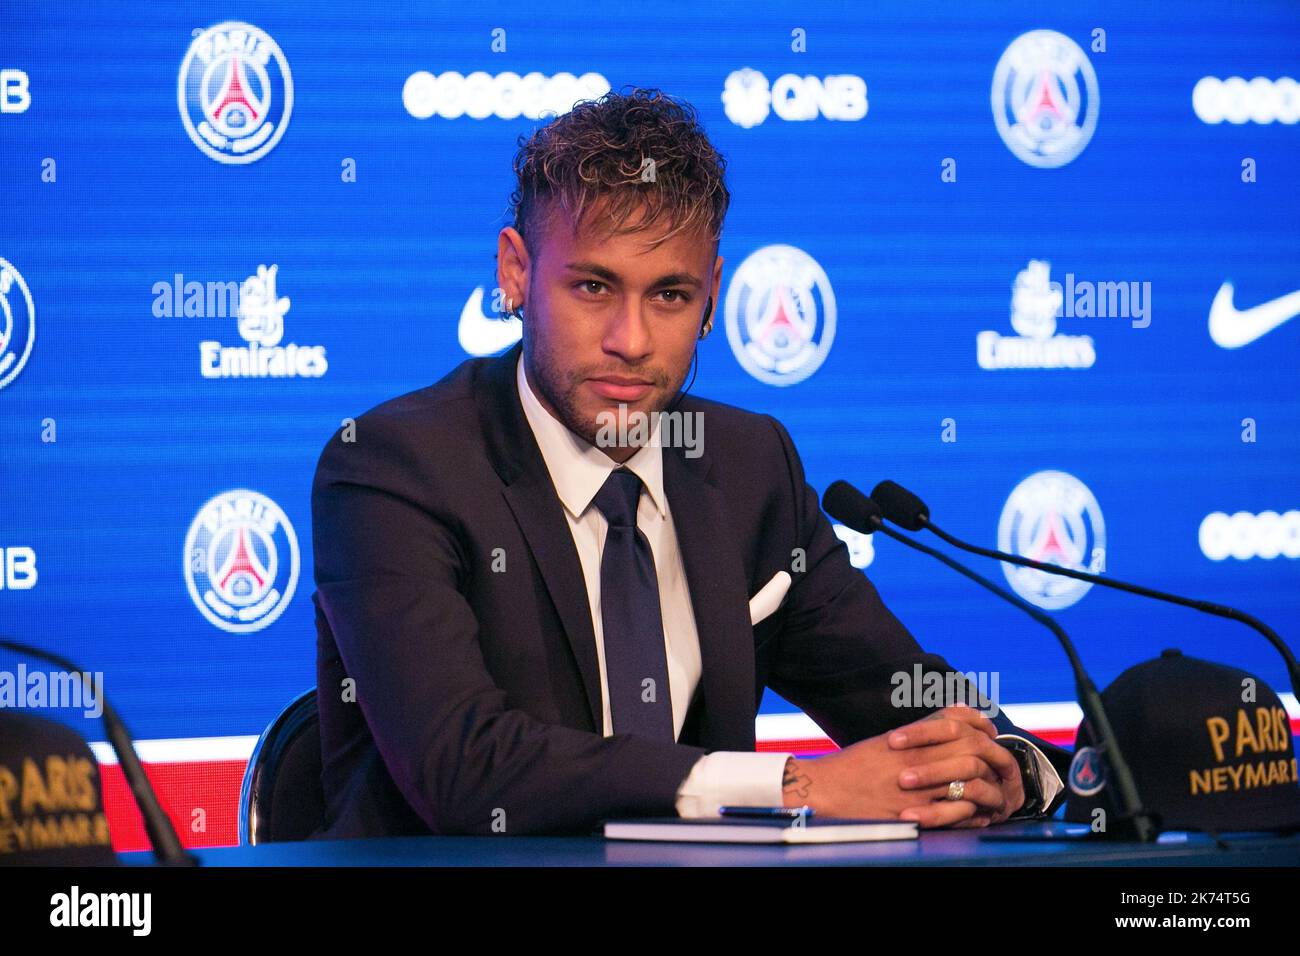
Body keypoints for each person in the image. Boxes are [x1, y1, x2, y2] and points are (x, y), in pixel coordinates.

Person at [309, 87, 1068, 839]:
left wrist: (1003, 766)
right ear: (515, 272)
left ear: (712, 297)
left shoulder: (747, 466)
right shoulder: (396, 467)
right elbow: (462, 767)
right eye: (594, 286)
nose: (631, 341)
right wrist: (795, 787)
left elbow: (896, 693)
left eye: (670, 295)